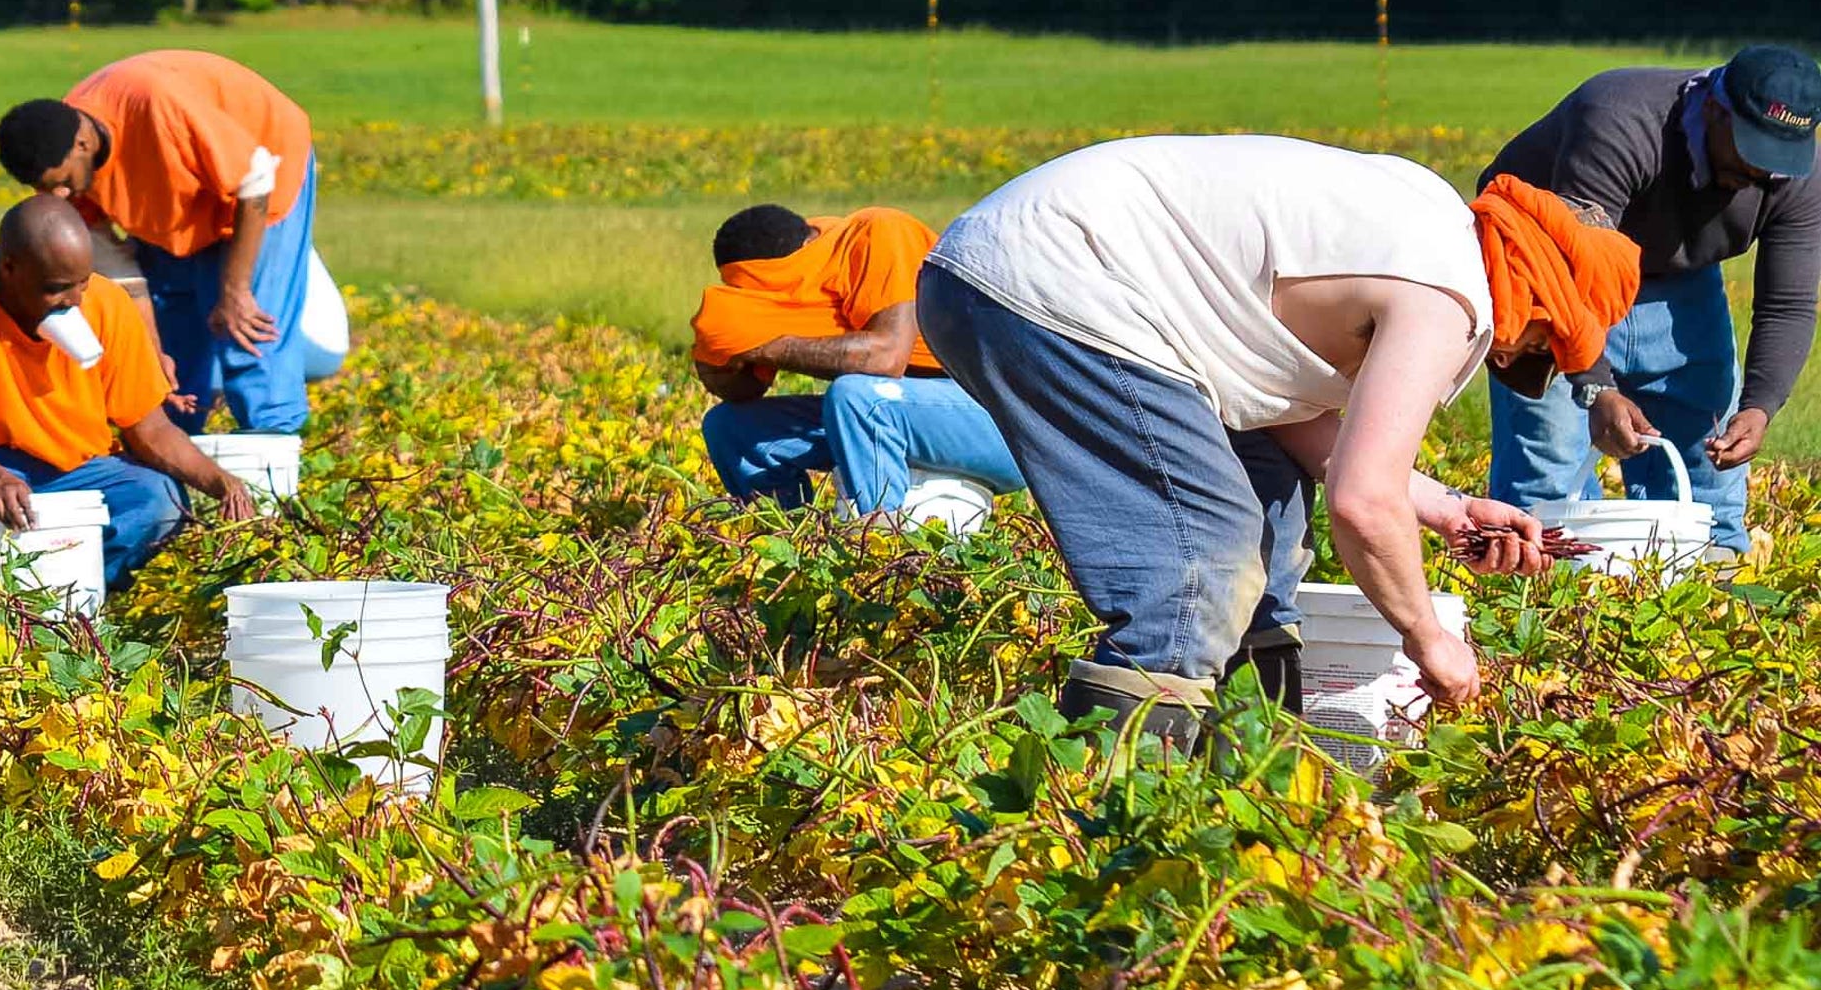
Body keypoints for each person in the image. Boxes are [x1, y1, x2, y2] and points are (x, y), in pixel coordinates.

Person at [918, 135, 1641, 744]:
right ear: (1544, 301)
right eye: (1546, 340)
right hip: (1054, 279)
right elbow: (1362, 503)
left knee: (1270, 507)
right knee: (1201, 557)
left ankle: (1244, 783)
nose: (1517, 358)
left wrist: (1448, 508)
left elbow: (1282, 411)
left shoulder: (1434, 230)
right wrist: (1429, 639)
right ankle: (1116, 830)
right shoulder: (1448, 295)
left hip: (1004, 262)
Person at [1484, 46, 1821, 553]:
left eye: (1780, 158)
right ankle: (1548, 596)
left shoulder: (1797, 175)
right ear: (1714, 108)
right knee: (1547, 473)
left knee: (1708, 479)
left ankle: (1701, 595)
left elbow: (1787, 303)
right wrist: (1597, 389)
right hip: (1544, 269)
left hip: (1679, 275)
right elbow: (1574, 271)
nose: (1763, 174)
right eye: (1753, 149)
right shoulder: (1620, 120)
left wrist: (1760, 406)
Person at [0, 195, 259, 588]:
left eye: (82, 284)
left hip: (73, 469)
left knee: (158, 501)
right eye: (56, 289)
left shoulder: (108, 305)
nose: (74, 301)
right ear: (8, 268)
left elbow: (152, 430)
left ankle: (72, 597)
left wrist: (222, 483)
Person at [0, 49, 319, 435]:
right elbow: (123, 275)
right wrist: (152, 350)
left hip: (263, 177)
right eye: (46, 189)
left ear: (83, 144)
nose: (60, 196)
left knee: (246, 329)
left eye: (63, 182)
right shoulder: (58, 154)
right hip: (172, 203)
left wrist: (235, 288)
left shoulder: (158, 106)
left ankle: (272, 453)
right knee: (170, 338)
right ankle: (179, 453)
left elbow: (255, 179)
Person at [689, 202, 1023, 514]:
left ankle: (876, 546)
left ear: (806, 250)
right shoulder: (783, 290)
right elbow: (744, 391)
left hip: (1002, 424)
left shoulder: (877, 234)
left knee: (857, 396)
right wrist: (721, 363)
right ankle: (788, 551)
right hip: (901, 413)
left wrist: (765, 348)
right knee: (729, 427)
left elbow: (887, 357)